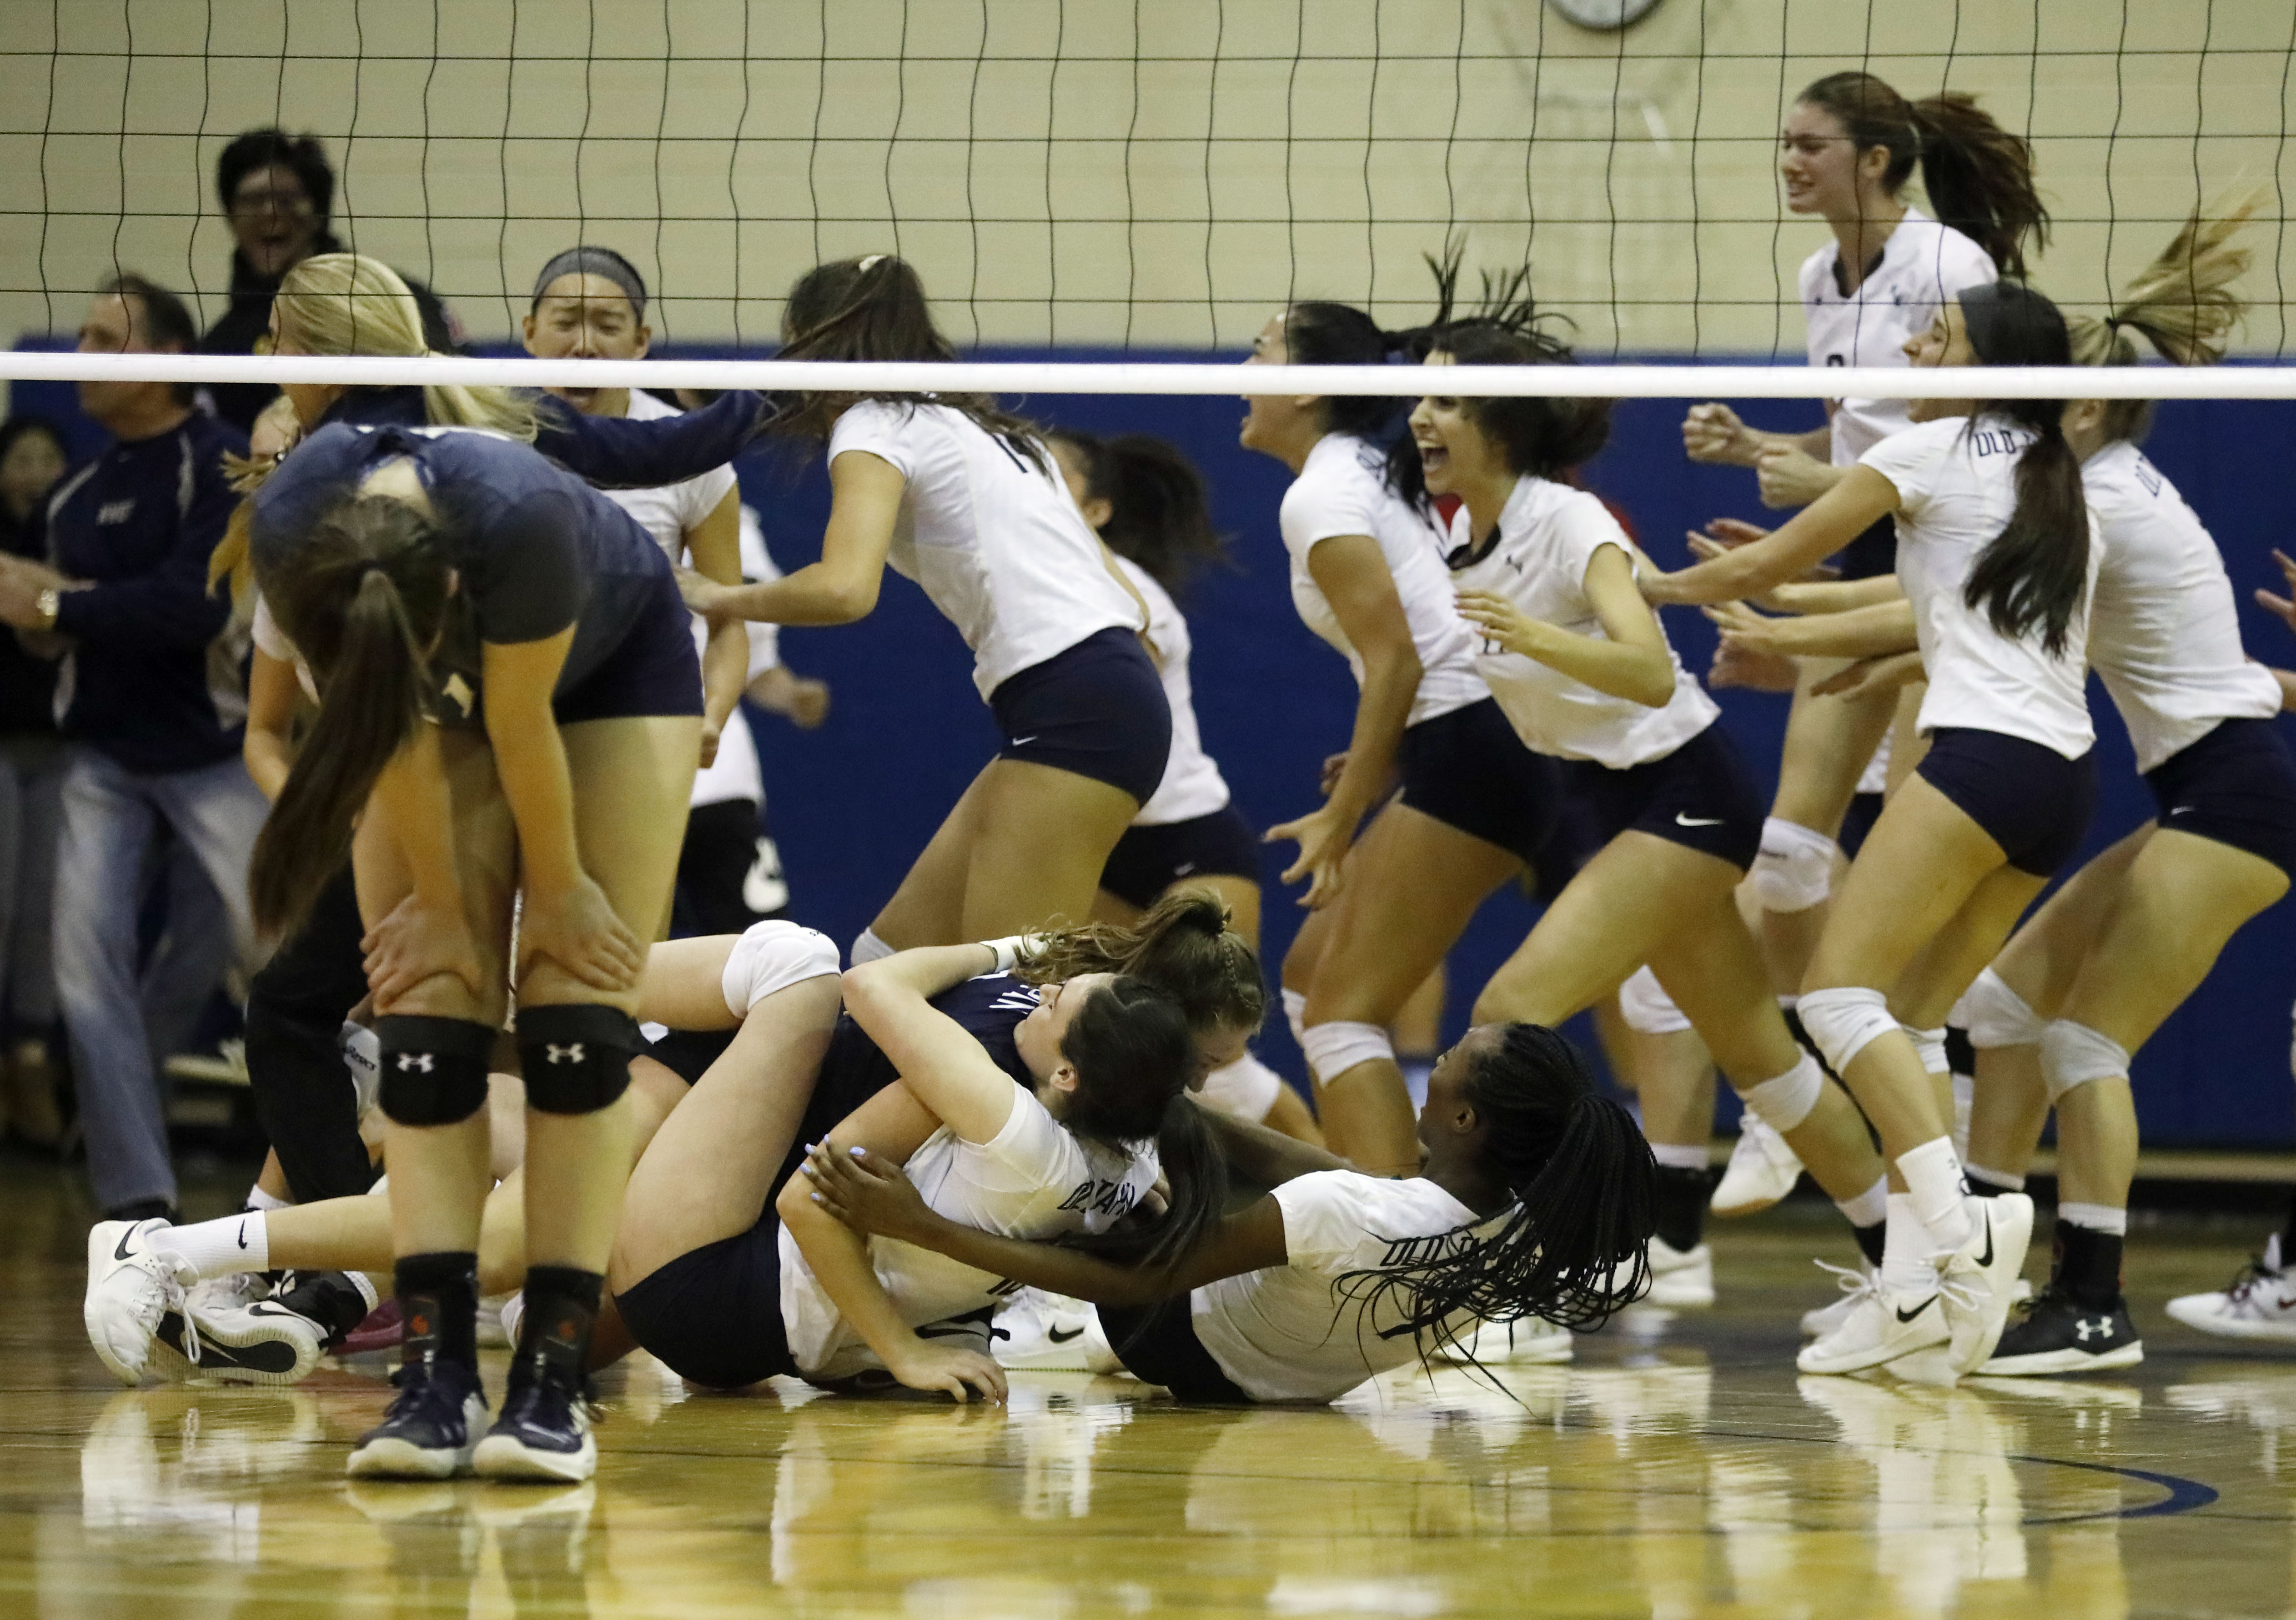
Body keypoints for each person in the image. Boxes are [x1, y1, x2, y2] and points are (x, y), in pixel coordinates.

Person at [81, 893, 1267, 1388]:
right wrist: (902, 1337)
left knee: (555, 1329)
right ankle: (176, 1248)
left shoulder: (1086, 1077)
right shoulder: (1012, 1073)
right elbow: (830, 1153)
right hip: (748, 1089)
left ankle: (278, 1239)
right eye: (1196, 1061)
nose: (1197, 1087)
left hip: (741, 1149)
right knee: (512, 1234)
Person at [214, 251, 769, 1232]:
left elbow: (664, 462)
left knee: (535, 1008)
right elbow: (658, 446)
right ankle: (373, 1261)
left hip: (574, 715)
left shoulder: (408, 460)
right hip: (445, 737)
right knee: (431, 1009)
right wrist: (773, 388)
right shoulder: (398, 450)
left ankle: (432, 1265)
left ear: (295, 352)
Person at [214, 421, 701, 1482]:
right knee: (427, 1001)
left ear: (445, 593)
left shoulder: (516, 521)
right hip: (424, 697)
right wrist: (438, 905)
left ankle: (552, 1384)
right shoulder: (299, 537)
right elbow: (390, 730)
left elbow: (518, 720)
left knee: (577, 1007)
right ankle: (436, 1379)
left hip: (615, 670)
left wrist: (564, 892)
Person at [1397, 300, 1889, 1314]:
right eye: (1418, 391)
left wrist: (1532, 638)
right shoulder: (1463, 531)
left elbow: (1648, 671)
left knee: (1503, 1016)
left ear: (1501, 417)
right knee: (1761, 1055)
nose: (1416, 413)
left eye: (1444, 395)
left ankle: (1507, 1267)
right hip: (1597, 798)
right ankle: (1914, 1260)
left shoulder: (1565, 519)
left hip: (1680, 791)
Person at [1644, 281, 2098, 1379]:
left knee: (1841, 997)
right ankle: (1908, 1300)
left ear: (1981, 365)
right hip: (2059, 776)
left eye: (1936, 336)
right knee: (1918, 1022)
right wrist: (1798, 627)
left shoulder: (1930, 451)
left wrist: (1641, 586)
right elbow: (1929, 615)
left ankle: (1965, 1225)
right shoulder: (2050, 476)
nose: (1909, 343)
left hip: (1977, 762)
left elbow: (1765, 561)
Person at [1916, 201, 2292, 1372]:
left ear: (2076, 407)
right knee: (2001, 1010)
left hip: (2232, 802)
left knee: (2086, 1040)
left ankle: (2091, 1305)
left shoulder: (2100, 503)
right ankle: (1972, 1267)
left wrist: (1785, 623)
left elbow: (1954, 611)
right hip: (2214, 785)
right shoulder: (2106, 486)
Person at [1678, 73, 2045, 1206]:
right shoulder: (1813, 275)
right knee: (1789, 851)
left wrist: (1815, 484)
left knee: (1906, 893)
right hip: (1866, 542)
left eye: (1809, 146)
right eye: (1782, 144)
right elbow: (1860, 439)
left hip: (1944, 559)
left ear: (1875, 160)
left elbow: (1965, 444)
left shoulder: (1946, 267)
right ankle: (1792, 1103)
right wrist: (1764, 449)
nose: (1788, 163)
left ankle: (1927, 1146)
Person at [678, 255, 1171, 958]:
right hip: (1092, 696)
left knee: (1006, 995)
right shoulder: (1003, 433)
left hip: (1073, 706)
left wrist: (719, 593)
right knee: (884, 964)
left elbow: (844, 590)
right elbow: (1133, 607)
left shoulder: (874, 424)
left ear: (809, 338)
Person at [797, 1021, 1654, 1407]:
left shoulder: (1345, 1210)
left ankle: (1047, 1324)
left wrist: (923, 1224)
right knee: (1212, 1169)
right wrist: (1173, 1099)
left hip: (1172, 1337)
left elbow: (1132, 1278)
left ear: (1464, 1118)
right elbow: (1332, 1177)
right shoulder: (1512, 1222)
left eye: (1451, 1067)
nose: (1428, 1076)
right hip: (1284, 1385)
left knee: (1123, 1207)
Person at [1237, 291, 1559, 1176]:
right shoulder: (1365, 473)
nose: (1240, 372)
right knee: (1308, 987)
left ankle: (1417, 1266)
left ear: (1306, 386)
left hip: (1481, 736)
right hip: (1464, 734)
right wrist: (1378, 769)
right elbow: (1417, 650)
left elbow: (1402, 662)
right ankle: (1386, 1227)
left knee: (1341, 1008)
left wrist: (1342, 813)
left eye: (1259, 353)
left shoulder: (1327, 494)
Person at [0, 276, 261, 1222]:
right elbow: (48, 626)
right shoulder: (73, 492)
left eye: (103, 337)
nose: (78, 354)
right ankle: (134, 1202)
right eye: (76, 336)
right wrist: (45, 611)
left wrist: (63, 603)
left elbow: (191, 607)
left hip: (216, 751)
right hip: (103, 759)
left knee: (270, 958)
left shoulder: (222, 460)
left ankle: (322, 1172)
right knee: (84, 970)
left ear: (164, 359)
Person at [1045, 426, 1316, 1144]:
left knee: (1216, 1064)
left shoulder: (1129, 596)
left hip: (1192, 842)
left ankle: (1346, 1196)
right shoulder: (1036, 588)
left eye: (1052, 473)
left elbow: (1109, 704)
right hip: (1101, 848)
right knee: (1092, 1042)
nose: (1031, 483)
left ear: (1097, 509)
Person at [520, 245, 784, 933]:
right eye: (565, 321)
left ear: (641, 343)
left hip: (639, 723)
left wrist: (713, 714)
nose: (583, 343)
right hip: (518, 718)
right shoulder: (490, 432)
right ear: (527, 333)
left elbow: (728, 615)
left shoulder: (692, 454)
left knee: (630, 941)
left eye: (607, 325)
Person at [197, 129, 461, 433]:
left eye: (288, 199)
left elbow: (456, 399)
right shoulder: (223, 343)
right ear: (230, 216)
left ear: (319, 214)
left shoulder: (399, 300)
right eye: (253, 200)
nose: (270, 213)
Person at [0, 414, 71, 1148]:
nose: (35, 471)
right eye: (21, 457)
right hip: (3, 747)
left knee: (42, 918)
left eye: (48, 455)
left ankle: (30, 1061)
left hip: (58, 749)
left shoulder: (72, 535)